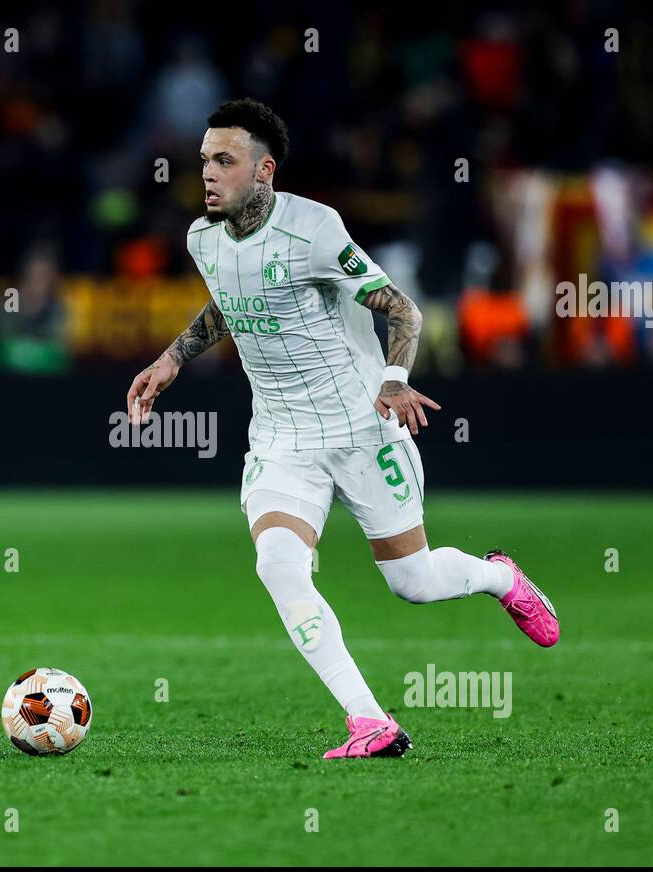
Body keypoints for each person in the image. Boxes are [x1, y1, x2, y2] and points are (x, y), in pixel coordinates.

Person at [126, 99, 560, 760]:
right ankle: (368, 720)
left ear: (264, 169)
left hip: (361, 423)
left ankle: (499, 578)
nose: (208, 173)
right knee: (278, 565)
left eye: (224, 160)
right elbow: (233, 304)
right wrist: (172, 358)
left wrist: (392, 377)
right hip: (280, 438)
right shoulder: (202, 239)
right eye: (204, 160)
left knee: (411, 582)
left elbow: (400, 307)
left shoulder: (315, 228)